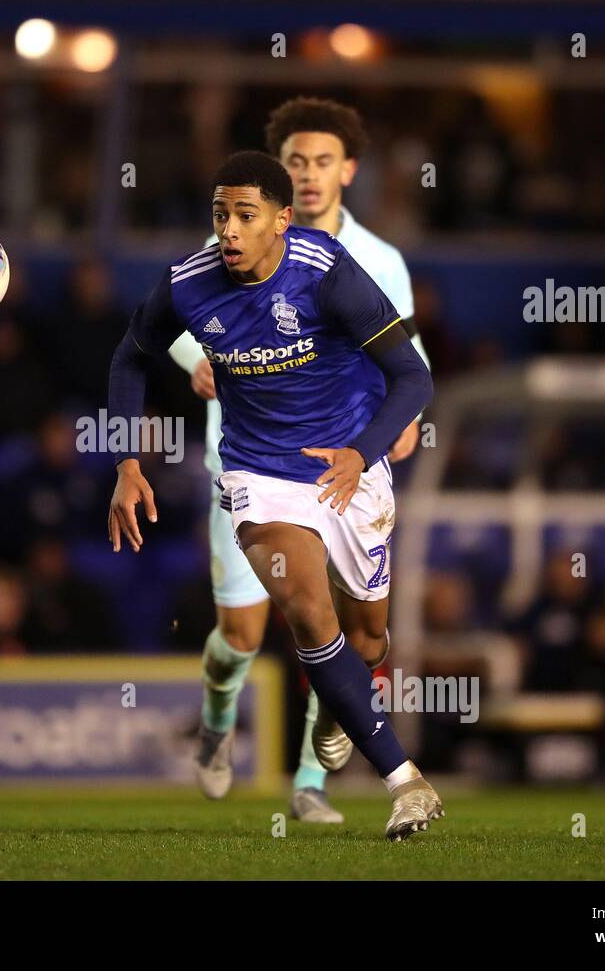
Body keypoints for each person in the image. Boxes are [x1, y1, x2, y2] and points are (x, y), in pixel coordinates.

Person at [108, 152, 441, 840]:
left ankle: (341, 710)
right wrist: (126, 461)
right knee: (303, 609)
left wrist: (363, 451)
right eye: (219, 214)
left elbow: (411, 378)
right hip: (258, 474)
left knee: (368, 637)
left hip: (346, 465)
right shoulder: (189, 283)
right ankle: (406, 783)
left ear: (282, 220)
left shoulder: (327, 275)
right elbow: (130, 356)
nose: (227, 229)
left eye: (244, 215)